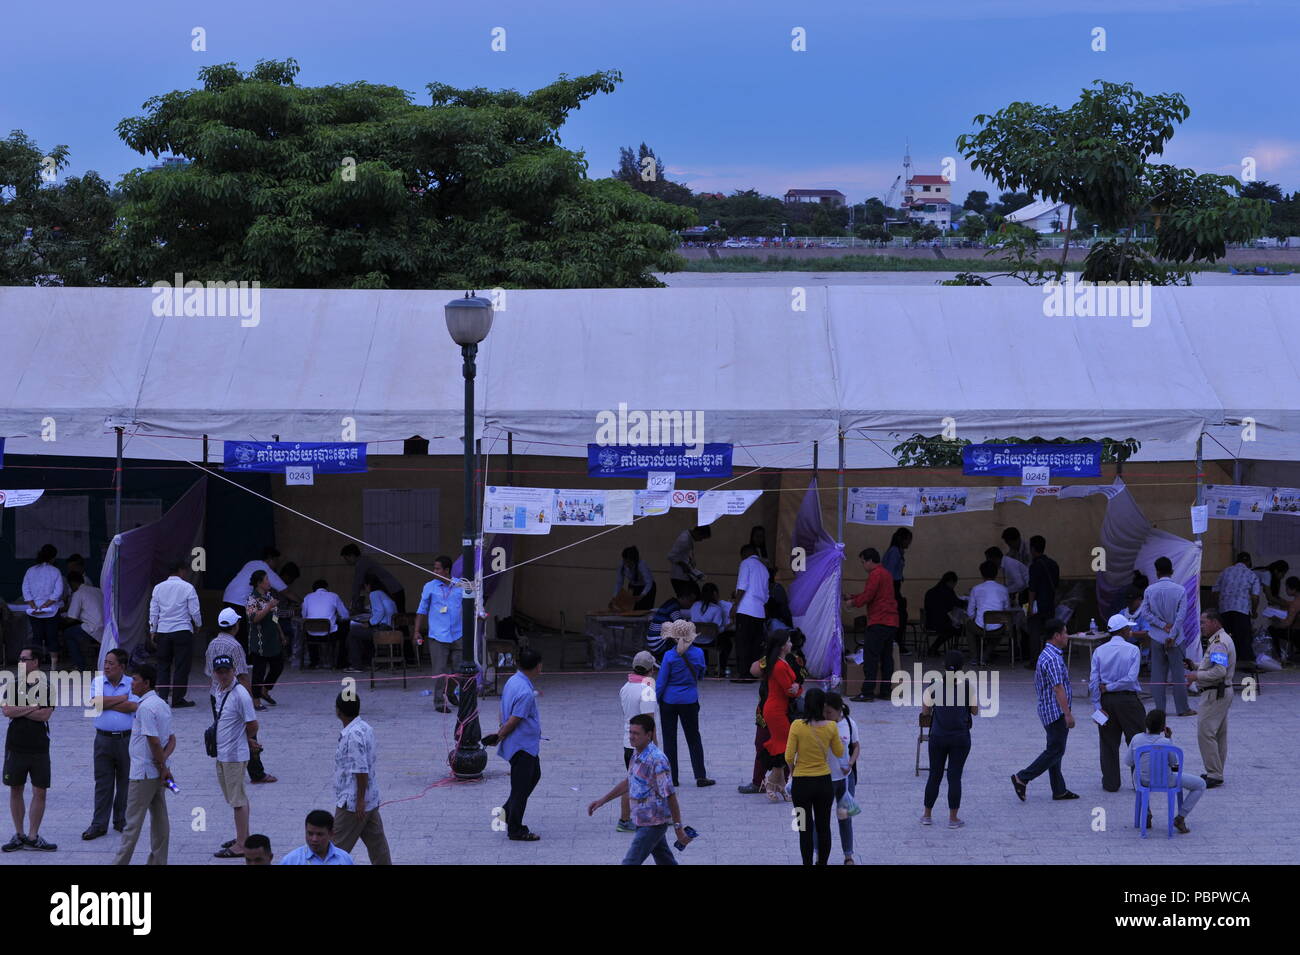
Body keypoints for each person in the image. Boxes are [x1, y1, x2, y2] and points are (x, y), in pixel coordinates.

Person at [587, 714, 689, 865]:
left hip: (652, 823)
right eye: (630, 732)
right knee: (665, 860)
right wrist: (602, 801)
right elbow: (630, 782)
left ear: (649, 735)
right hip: (643, 820)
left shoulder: (657, 760)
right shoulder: (637, 752)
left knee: (630, 862)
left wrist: (678, 828)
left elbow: (670, 795)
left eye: (636, 733)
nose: (631, 737)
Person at [206, 608, 277, 786]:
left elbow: (209, 672)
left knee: (223, 732)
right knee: (250, 733)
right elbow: (243, 676)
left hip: (216, 695)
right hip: (234, 695)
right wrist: (251, 699)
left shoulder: (212, 644)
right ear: (235, 626)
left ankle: (226, 767)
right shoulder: (235, 646)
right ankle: (257, 772)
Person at [114, 664, 175, 865]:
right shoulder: (162, 704)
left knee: (132, 824)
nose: (132, 683)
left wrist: (162, 766)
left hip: (143, 774)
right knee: (160, 821)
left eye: (135, 680)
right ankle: (158, 861)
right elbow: (172, 740)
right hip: (157, 772)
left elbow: (154, 741)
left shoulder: (145, 708)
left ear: (146, 683)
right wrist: (164, 765)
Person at [1011, 619, 1078, 802]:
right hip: (1055, 711)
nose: (1067, 636)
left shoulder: (1048, 654)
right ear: (1056, 636)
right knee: (1055, 751)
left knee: (1055, 749)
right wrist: (1067, 714)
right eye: (1065, 632)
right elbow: (1058, 688)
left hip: (1049, 709)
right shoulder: (1053, 659)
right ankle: (1022, 777)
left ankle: (1059, 789)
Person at [2, 646, 56, 852]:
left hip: (39, 746)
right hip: (15, 745)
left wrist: (21, 710)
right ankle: (19, 834)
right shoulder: (12, 685)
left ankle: (33, 835)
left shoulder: (47, 687)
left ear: (35, 663)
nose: (21, 663)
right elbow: (7, 710)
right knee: (15, 789)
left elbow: (45, 715)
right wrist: (33, 707)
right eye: (20, 659)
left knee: (39, 791)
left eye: (25, 659)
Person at [785, 686, 844, 865]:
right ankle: (822, 863)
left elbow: (788, 756)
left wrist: (793, 772)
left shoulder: (796, 726)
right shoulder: (831, 727)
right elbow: (839, 752)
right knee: (823, 826)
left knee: (804, 828)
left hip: (801, 785)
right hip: (824, 783)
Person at [921, 649, 979, 829]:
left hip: (938, 736)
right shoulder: (967, 685)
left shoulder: (934, 684)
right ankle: (953, 818)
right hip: (960, 737)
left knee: (934, 775)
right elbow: (975, 711)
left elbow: (925, 711)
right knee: (955, 777)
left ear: (944, 666)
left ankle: (927, 815)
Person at [333, 691, 393, 864]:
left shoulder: (352, 736)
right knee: (378, 846)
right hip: (370, 800)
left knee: (335, 850)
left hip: (353, 804)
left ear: (338, 711)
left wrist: (359, 801)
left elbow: (361, 770)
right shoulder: (365, 727)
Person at [1089, 614, 1146, 792]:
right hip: (1128, 700)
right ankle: (1139, 782)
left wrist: (1098, 706)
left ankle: (1111, 783)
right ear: (1123, 630)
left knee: (1108, 743)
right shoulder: (1133, 650)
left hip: (1107, 702)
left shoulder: (1099, 651)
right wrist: (1112, 687)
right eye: (1129, 628)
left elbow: (1093, 682)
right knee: (1137, 741)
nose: (1131, 631)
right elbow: (1130, 679)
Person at [1124, 709, 1206, 834]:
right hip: (1166, 781)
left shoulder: (1136, 739)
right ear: (1163, 727)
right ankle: (1180, 817)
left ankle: (1146, 812)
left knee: (1137, 774)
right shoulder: (1166, 742)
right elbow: (1174, 764)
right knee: (1200, 784)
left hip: (1143, 781)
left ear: (1146, 723)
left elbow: (1128, 762)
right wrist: (1170, 739)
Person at [210, 655, 259, 859]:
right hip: (223, 753)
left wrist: (247, 740)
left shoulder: (241, 695)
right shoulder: (219, 690)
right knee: (237, 797)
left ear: (233, 671)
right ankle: (243, 836)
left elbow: (253, 724)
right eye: (219, 672)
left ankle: (241, 844)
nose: (223, 675)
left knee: (237, 800)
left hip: (234, 755)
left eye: (226, 671)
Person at [83, 648, 135, 840]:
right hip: (102, 739)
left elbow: (133, 706)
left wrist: (107, 702)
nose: (106, 666)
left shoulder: (132, 683)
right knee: (102, 783)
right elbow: (95, 703)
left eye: (111, 663)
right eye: (105, 662)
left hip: (126, 739)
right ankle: (98, 824)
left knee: (125, 782)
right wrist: (122, 698)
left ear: (122, 666)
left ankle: (121, 820)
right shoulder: (98, 681)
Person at [655, 620, 714, 788]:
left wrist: (656, 699)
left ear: (673, 638)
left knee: (669, 739)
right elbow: (701, 674)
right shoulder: (699, 653)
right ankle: (700, 776)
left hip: (669, 701)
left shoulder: (669, 656)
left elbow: (661, 682)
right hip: (689, 699)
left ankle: (672, 778)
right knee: (694, 738)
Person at [495, 647, 543, 842]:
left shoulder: (514, 681)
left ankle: (507, 811)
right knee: (520, 787)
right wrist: (499, 736)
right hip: (522, 745)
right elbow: (515, 719)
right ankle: (515, 828)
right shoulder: (525, 692)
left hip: (525, 744)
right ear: (538, 666)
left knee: (533, 776)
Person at [1138, 556, 1193, 717]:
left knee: (1157, 674)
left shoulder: (1149, 590)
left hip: (1156, 636)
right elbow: (1181, 616)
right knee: (1178, 674)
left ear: (1157, 572)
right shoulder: (1180, 590)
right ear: (1172, 571)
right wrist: (1173, 633)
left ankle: (1159, 709)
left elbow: (1145, 613)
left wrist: (1162, 625)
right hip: (1176, 639)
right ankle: (1183, 709)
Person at [1187, 610, 1235, 789]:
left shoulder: (1219, 643)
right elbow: (1215, 665)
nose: (1201, 626)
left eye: (1203, 622)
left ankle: (1214, 773)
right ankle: (1216, 771)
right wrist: (1196, 665)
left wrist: (1196, 676)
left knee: (1205, 732)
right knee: (1219, 734)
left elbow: (1219, 671)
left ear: (1215, 622)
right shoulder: (1220, 640)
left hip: (1215, 693)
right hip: (1220, 692)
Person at [845, 548, 898, 702]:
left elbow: (869, 595)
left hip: (878, 621)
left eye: (863, 562)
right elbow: (876, 594)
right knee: (887, 658)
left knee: (871, 657)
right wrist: (853, 596)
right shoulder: (886, 573)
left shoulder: (875, 574)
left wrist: (852, 602)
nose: (862, 566)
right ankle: (885, 691)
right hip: (891, 621)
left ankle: (867, 692)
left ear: (869, 561)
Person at [617, 651, 661, 832]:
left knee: (632, 781)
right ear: (650, 670)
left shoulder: (625, 687)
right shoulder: (647, 690)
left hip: (628, 742)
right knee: (646, 782)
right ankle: (636, 818)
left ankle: (626, 819)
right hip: (643, 744)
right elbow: (649, 722)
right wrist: (655, 745)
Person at [149, 560, 202, 708]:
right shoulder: (188, 587)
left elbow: (154, 612)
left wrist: (152, 630)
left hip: (163, 631)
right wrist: (198, 624)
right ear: (181, 571)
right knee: (181, 666)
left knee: (163, 665)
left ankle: (163, 697)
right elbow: (194, 611)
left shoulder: (158, 588)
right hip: (182, 630)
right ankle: (178, 699)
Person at [222, 547, 298, 648]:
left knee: (233, 632)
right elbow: (286, 592)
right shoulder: (266, 571)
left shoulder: (251, 563)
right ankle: (245, 661)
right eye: (276, 561)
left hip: (228, 597)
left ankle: (233, 658)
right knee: (245, 634)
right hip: (240, 601)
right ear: (271, 559)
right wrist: (304, 602)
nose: (277, 565)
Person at [756, 632, 802, 801]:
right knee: (785, 745)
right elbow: (790, 691)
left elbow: (793, 688)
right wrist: (797, 687)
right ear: (783, 646)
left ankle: (780, 785)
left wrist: (796, 687)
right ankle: (769, 783)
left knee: (782, 745)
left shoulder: (780, 662)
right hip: (776, 710)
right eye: (789, 641)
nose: (791, 644)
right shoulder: (780, 666)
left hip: (776, 708)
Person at [816, 692, 859, 864]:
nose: (827, 716)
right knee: (821, 820)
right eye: (824, 712)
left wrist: (851, 762)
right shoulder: (821, 725)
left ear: (839, 710)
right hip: (825, 778)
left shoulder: (849, 724)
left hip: (845, 779)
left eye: (830, 713)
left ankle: (848, 855)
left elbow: (856, 747)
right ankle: (819, 855)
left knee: (845, 818)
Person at [414, 556, 461, 712]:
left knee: (459, 668)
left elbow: (470, 607)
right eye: (434, 568)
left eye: (437, 568)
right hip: (437, 636)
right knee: (440, 671)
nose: (434, 571)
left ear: (447, 571)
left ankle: (450, 692)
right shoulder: (430, 587)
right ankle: (439, 702)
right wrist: (417, 631)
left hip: (458, 634)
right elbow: (421, 610)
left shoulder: (460, 585)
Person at [246, 571, 286, 709]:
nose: (269, 582)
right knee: (259, 671)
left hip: (273, 639)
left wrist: (281, 634)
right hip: (259, 641)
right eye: (267, 579)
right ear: (259, 583)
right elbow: (254, 618)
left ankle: (265, 690)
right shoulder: (252, 599)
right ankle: (256, 701)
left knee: (278, 666)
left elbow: (275, 618)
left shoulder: (269, 596)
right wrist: (268, 607)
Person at [1213, 552, 1260, 666]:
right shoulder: (1251, 574)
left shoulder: (1225, 572)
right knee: (1244, 638)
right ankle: (1245, 664)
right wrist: (1254, 611)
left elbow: (1214, 591)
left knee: (1224, 638)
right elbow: (1255, 596)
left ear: (1236, 561)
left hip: (1225, 610)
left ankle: (1220, 664)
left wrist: (1218, 607)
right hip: (1242, 610)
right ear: (1248, 562)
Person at [21, 544, 64, 669]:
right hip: (51, 610)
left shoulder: (30, 570)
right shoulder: (55, 571)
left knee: (37, 637)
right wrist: (45, 605)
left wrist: (33, 605)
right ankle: (53, 665)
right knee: (52, 636)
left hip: (33, 611)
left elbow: (25, 589)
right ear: (53, 558)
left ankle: (36, 665)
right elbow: (58, 591)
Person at [730, 544, 769, 679]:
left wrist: (735, 606)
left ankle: (743, 673)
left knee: (742, 643)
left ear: (745, 553)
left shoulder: (746, 563)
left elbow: (742, 586)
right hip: (759, 611)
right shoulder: (764, 568)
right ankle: (754, 673)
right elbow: (766, 595)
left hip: (746, 609)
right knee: (756, 644)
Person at [345, 575, 397, 674]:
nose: (365, 589)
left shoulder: (374, 594)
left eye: (365, 587)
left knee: (353, 633)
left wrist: (369, 623)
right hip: (391, 628)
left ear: (368, 585)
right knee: (363, 634)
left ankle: (356, 665)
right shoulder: (384, 594)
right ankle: (370, 663)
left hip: (382, 630)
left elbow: (380, 612)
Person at [300, 577, 350, 672]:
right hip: (329, 635)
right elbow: (345, 615)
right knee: (345, 628)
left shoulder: (307, 597)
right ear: (327, 588)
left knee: (308, 628)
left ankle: (314, 662)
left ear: (313, 589)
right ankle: (340, 662)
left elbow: (304, 616)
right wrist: (337, 617)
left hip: (311, 635)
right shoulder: (334, 596)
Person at [966, 559, 1010, 666]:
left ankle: (974, 657)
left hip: (981, 628)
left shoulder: (976, 589)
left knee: (968, 625)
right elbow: (1007, 610)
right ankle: (985, 656)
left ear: (982, 574)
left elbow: (970, 613)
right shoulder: (1003, 589)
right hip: (998, 629)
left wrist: (977, 616)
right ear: (996, 573)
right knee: (1001, 628)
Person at [340, 543, 406, 613]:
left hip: (393, 591)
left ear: (352, 556)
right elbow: (360, 586)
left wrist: (353, 605)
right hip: (395, 590)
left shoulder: (361, 564)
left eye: (346, 558)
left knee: (399, 617)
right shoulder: (365, 560)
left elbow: (357, 585)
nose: (347, 561)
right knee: (399, 617)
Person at [1025, 535, 1059, 664]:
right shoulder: (1053, 564)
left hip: (1037, 605)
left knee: (1034, 633)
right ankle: (1050, 659)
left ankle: (1035, 661)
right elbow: (1056, 585)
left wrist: (1029, 607)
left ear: (1032, 548)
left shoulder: (1034, 566)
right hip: (1050, 603)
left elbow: (1032, 589)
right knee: (1049, 633)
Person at [279, 809, 355, 865]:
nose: (314, 839)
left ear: (331, 834)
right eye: (310, 834)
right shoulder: (291, 860)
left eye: (320, 834)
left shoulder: (345, 859)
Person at [62, 571, 103, 670]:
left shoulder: (78, 593)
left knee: (68, 633)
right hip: (106, 627)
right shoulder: (97, 590)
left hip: (93, 628)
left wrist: (59, 623)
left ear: (72, 583)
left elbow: (71, 618)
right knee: (76, 630)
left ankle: (79, 665)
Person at [690, 582, 733, 676]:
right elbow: (716, 630)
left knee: (703, 640)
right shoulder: (717, 609)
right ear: (714, 594)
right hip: (710, 640)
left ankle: (704, 668)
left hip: (694, 640)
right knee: (727, 643)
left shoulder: (694, 605)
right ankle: (720, 668)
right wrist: (728, 625)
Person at [883, 527, 913, 654]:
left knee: (900, 615)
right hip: (891, 587)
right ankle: (897, 644)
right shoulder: (894, 552)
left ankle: (896, 642)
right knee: (900, 616)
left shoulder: (897, 551)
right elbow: (889, 572)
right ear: (903, 539)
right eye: (908, 540)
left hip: (894, 586)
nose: (909, 543)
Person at [647, 586, 697, 658]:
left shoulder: (671, 603)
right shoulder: (673, 607)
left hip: (654, 642)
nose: (692, 604)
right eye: (690, 601)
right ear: (683, 598)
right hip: (659, 644)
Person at [924, 571, 964, 656]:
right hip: (941, 623)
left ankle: (934, 648)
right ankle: (937, 648)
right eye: (954, 584)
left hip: (929, 622)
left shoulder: (931, 591)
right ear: (950, 582)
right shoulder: (947, 591)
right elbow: (957, 603)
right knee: (958, 629)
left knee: (951, 629)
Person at [667, 525, 709, 598]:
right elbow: (670, 556)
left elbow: (683, 553)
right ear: (697, 532)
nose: (701, 540)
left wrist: (690, 559)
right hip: (679, 577)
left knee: (696, 596)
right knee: (691, 599)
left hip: (685, 576)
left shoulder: (688, 536)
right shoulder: (684, 539)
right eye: (701, 537)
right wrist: (682, 564)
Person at [612, 546, 656, 611]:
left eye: (629, 562)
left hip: (646, 588)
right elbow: (619, 582)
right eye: (625, 561)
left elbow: (649, 582)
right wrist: (615, 596)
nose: (627, 564)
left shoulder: (642, 565)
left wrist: (642, 595)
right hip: (633, 587)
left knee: (644, 610)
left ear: (634, 560)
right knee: (631, 609)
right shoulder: (622, 565)